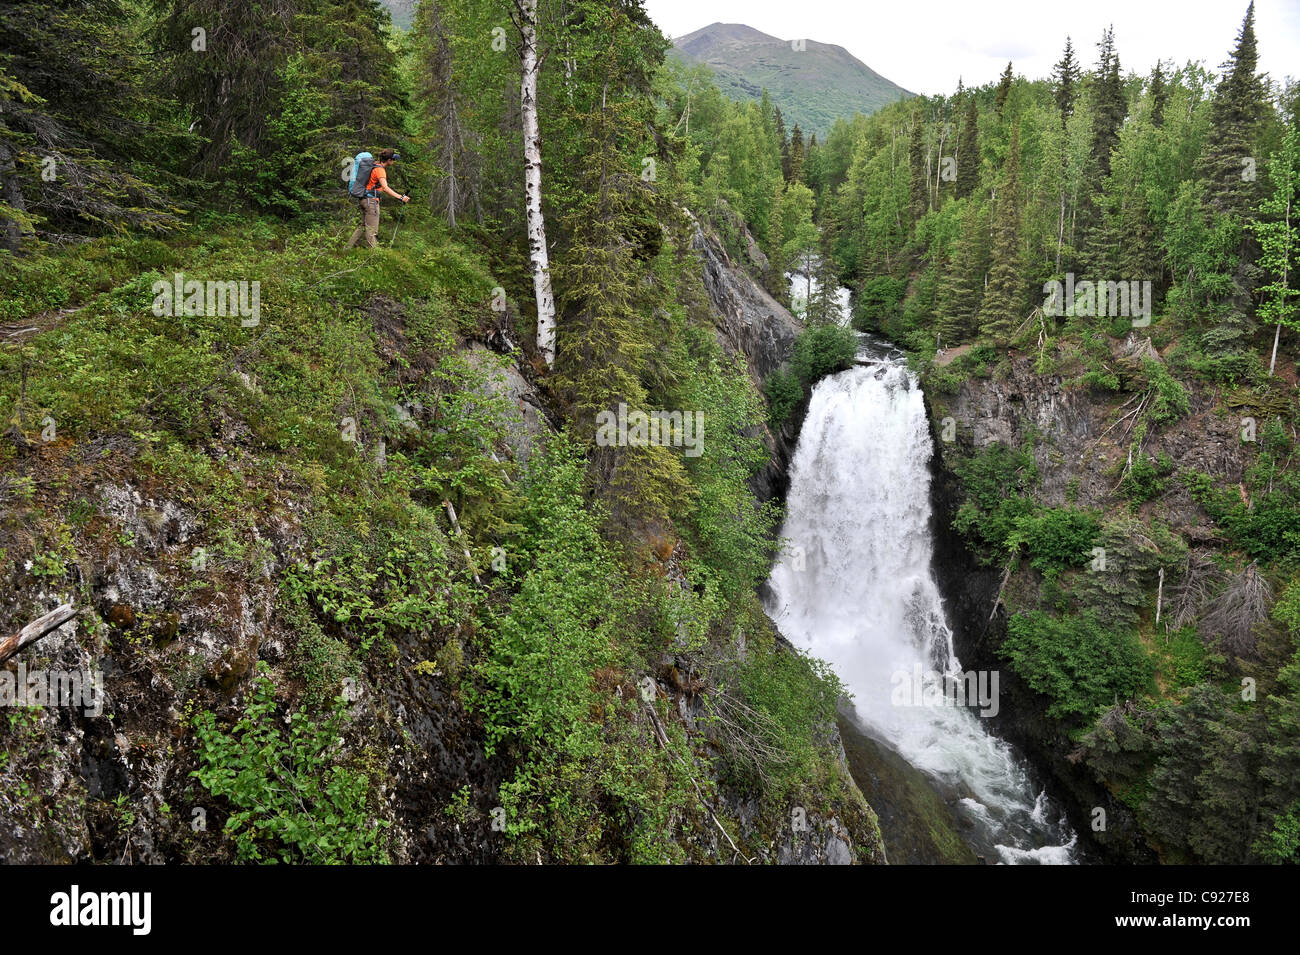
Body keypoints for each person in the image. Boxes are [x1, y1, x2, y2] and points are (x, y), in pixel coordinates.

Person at [346, 148, 410, 249]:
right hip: (371, 202)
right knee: (371, 231)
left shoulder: (374, 166)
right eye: (393, 159)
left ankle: (346, 249)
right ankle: (376, 255)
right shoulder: (380, 170)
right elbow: (385, 187)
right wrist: (401, 197)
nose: (394, 161)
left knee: (362, 227)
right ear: (389, 160)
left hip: (364, 200)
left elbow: (378, 187)